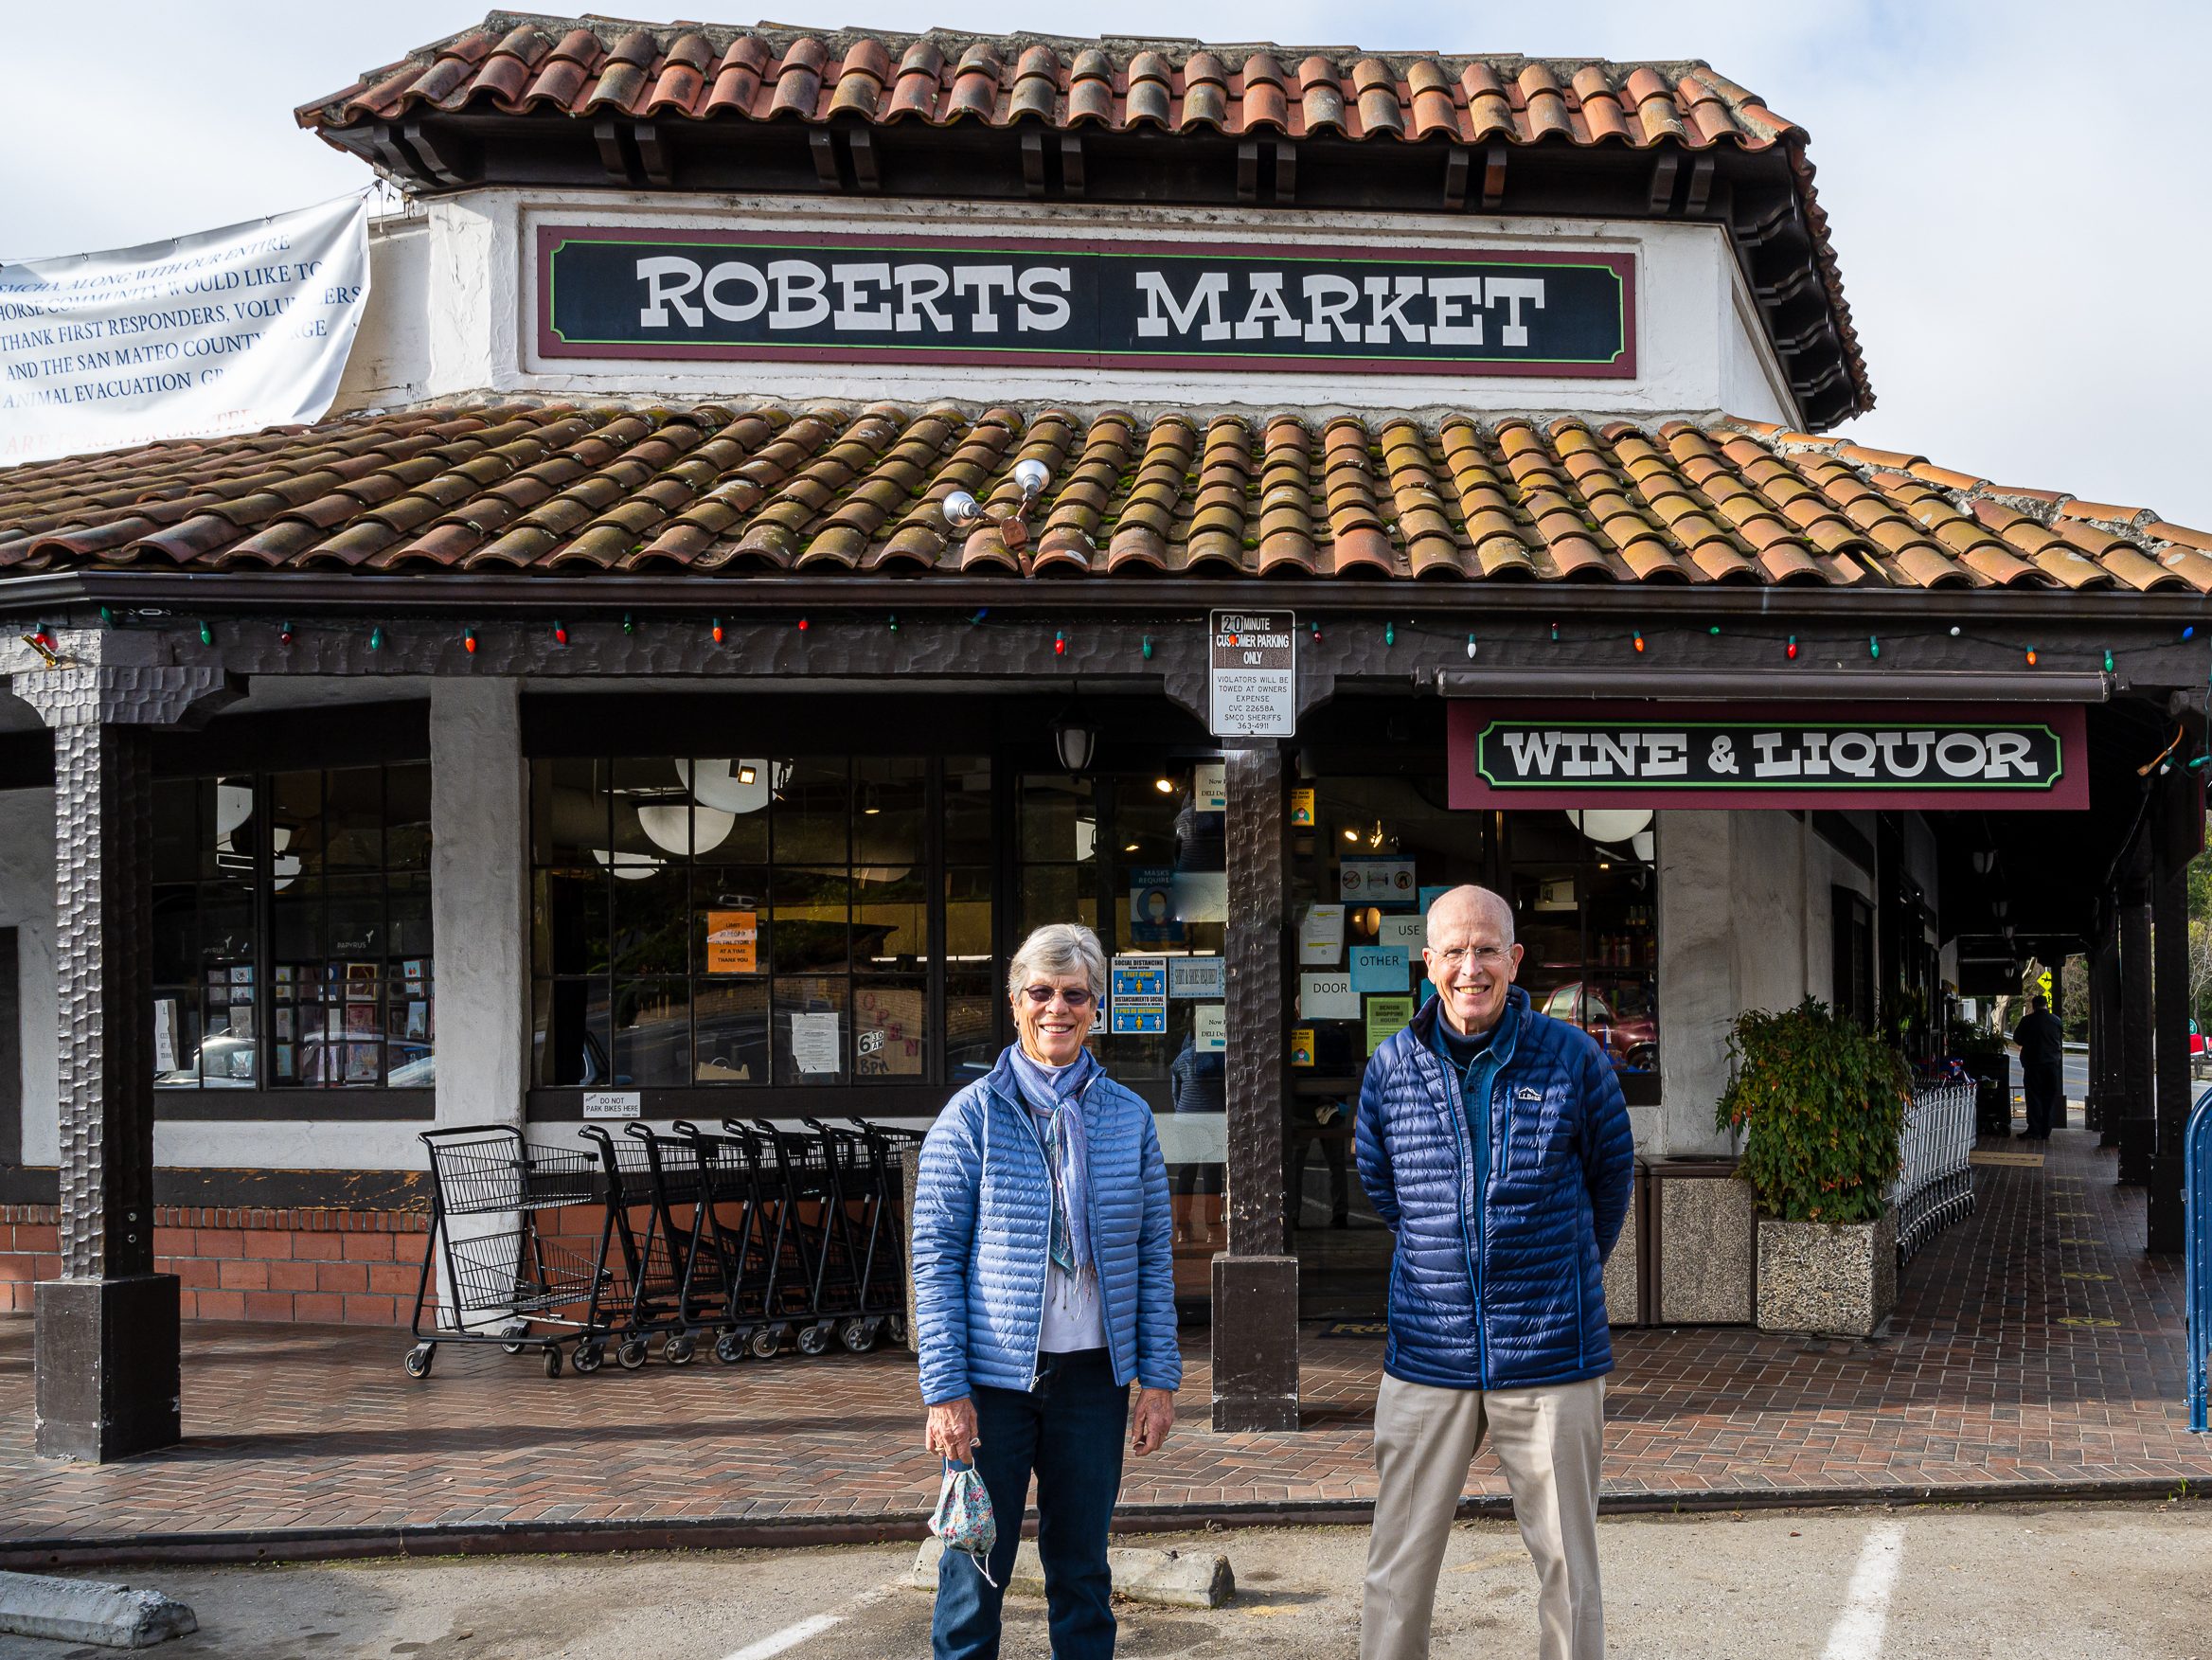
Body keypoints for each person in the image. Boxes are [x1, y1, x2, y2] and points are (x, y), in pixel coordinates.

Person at [1354, 885, 1634, 1660]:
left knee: (1569, 1570)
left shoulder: (1572, 1057)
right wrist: (1446, 1259)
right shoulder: (1392, 1066)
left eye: (1486, 949)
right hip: (1428, 1350)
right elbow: (1383, 1183)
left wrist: (1552, 1269)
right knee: (1398, 1566)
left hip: (1550, 1348)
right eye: (1453, 950)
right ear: (1429, 963)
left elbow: (1610, 1184)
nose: (1469, 967)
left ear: (1514, 960)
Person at [912, 922, 1182, 1660]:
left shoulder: (1128, 1116)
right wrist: (945, 1390)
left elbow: (1152, 1255)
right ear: (1014, 1001)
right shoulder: (971, 1115)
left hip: (1093, 1379)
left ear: (1096, 1007)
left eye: (1074, 994)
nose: (1056, 1007)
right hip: (992, 1386)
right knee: (972, 1574)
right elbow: (932, 1260)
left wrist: (1158, 1379)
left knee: (1083, 1573)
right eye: (1040, 992)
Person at [2010, 991, 2065, 1140]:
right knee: (2049, 1097)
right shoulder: (2056, 1020)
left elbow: (2018, 1039)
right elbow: (2060, 1039)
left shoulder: (2028, 1020)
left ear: (2033, 1006)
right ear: (2046, 1005)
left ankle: (2034, 1129)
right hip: (2052, 1065)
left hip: (2033, 1064)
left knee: (2034, 1096)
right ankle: (2046, 1130)